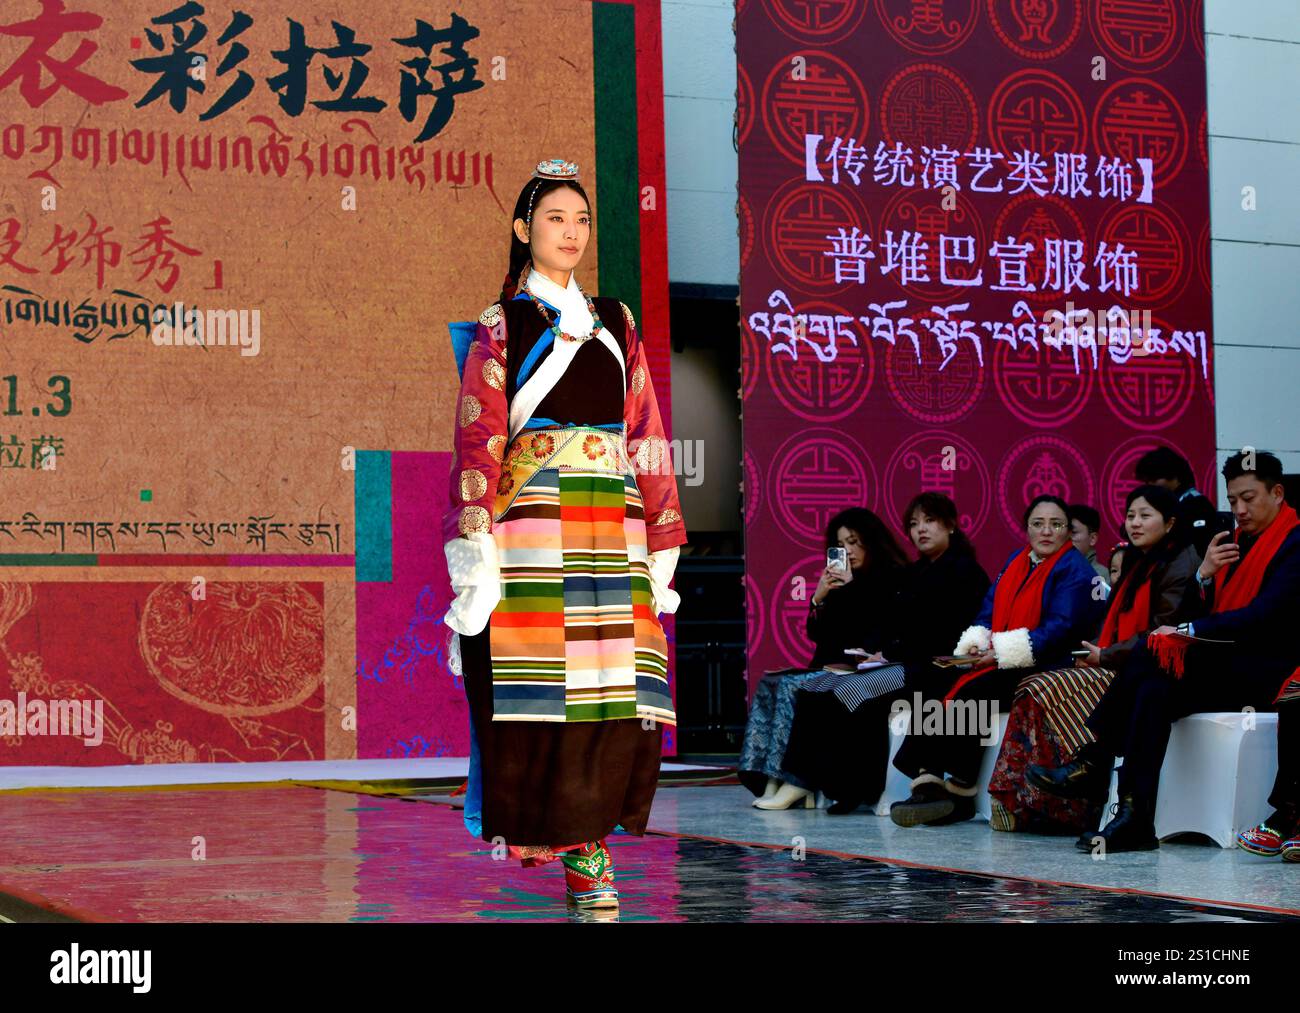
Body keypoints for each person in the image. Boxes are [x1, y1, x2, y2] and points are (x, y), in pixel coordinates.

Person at [441, 159, 687, 909]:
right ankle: (582, 856)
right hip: (534, 528)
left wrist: (663, 537)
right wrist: (478, 548)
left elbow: (645, 431)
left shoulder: (617, 321)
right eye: (554, 218)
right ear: (523, 231)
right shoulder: (502, 324)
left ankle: (594, 841)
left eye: (580, 219)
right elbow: (477, 439)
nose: (571, 232)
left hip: (612, 525)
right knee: (543, 692)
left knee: (618, 689)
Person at [1033, 451, 1300, 854]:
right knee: (1152, 687)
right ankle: (1135, 818)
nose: (1239, 510)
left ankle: (1094, 761)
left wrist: (1188, 630)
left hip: (1270, 669)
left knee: (1150, 652)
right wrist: (1204, 576)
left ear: (1278, 493)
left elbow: (1266, 617)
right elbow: (1200, 608)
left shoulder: (1294, 542)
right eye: (1232, 500)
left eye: (1249, 498)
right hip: (1227, 663)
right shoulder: (1230, 541)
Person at [990, 486, 1199, 833]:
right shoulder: (1136, 559)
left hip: (1146, 663)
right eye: (1131, 515)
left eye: (1145, 516)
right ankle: (1025, 799)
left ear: (1171, 522)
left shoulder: (1177, 561)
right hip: (1116, 659)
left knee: (1042, 684)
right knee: (1034, 685)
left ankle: (1065, 803)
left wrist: (1105, 655)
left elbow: (1163, 630)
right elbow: (1109, 625)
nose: (1135, 523)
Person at [889, 495, 1102, 827]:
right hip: (1005, 657)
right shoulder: (1017, 561)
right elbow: (988, 611)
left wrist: (1001, 652)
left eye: (1056, 525)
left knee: (977, 691)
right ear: (1027, 528)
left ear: (1067, 531)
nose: (1046, 531)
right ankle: (927, 778)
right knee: (934, 678)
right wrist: (979, 643)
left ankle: (961, 788)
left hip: (1046, 663)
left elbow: (1059, 629)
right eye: (1038, 524)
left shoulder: (1075, 570)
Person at [773, 493, 989, 815]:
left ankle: (857, 788)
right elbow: (891, 623)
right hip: (899, 660)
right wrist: (874, 650)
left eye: (929, 521)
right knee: (821, 686)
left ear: (951, 525)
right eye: (914, 524)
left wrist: (889, 651)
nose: (921, 530)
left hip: (932, 666)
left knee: (852, 691)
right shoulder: (916, 572)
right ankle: (829, 785)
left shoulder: (966, 572)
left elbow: (944, 631)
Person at [740, 508, 907, 809]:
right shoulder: (839, 583)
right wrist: (819, 597)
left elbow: (873, 630)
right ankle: (768, 776)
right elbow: (818, 633)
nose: (848, 551)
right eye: (841, 546)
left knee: (795, 686)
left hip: (863, 669)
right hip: (829, 664)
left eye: (854, 542)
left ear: (871, 541)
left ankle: (795, 780)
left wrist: (852, 588)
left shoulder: (891, 577)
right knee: (771, 682)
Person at [1135, 445, 1219, 558]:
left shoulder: (1197, 505)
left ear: (1174, 476)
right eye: (1146, 481)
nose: (1149, 486)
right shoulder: (1162, 506)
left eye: (1154, 479)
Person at [1068, 504, 1111, 587]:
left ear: (1092, 539)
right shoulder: (1052, 571)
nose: (1066, 538)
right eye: (1065, 532)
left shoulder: (1102, 577)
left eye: (1073, 532)